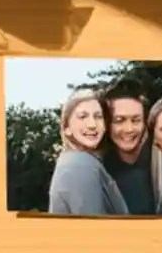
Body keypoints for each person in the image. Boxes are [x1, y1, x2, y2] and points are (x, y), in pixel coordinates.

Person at [47, 88, 130, 216]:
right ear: (67, 128)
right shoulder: (81, 164)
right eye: (82, 117)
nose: (92, 124)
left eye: (98, 116)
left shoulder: (71, 161)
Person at [99, 83, 155, 214]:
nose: (129, 129)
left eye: (135, 120)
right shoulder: (99, 169)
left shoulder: (161, 162)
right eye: (119, 120)